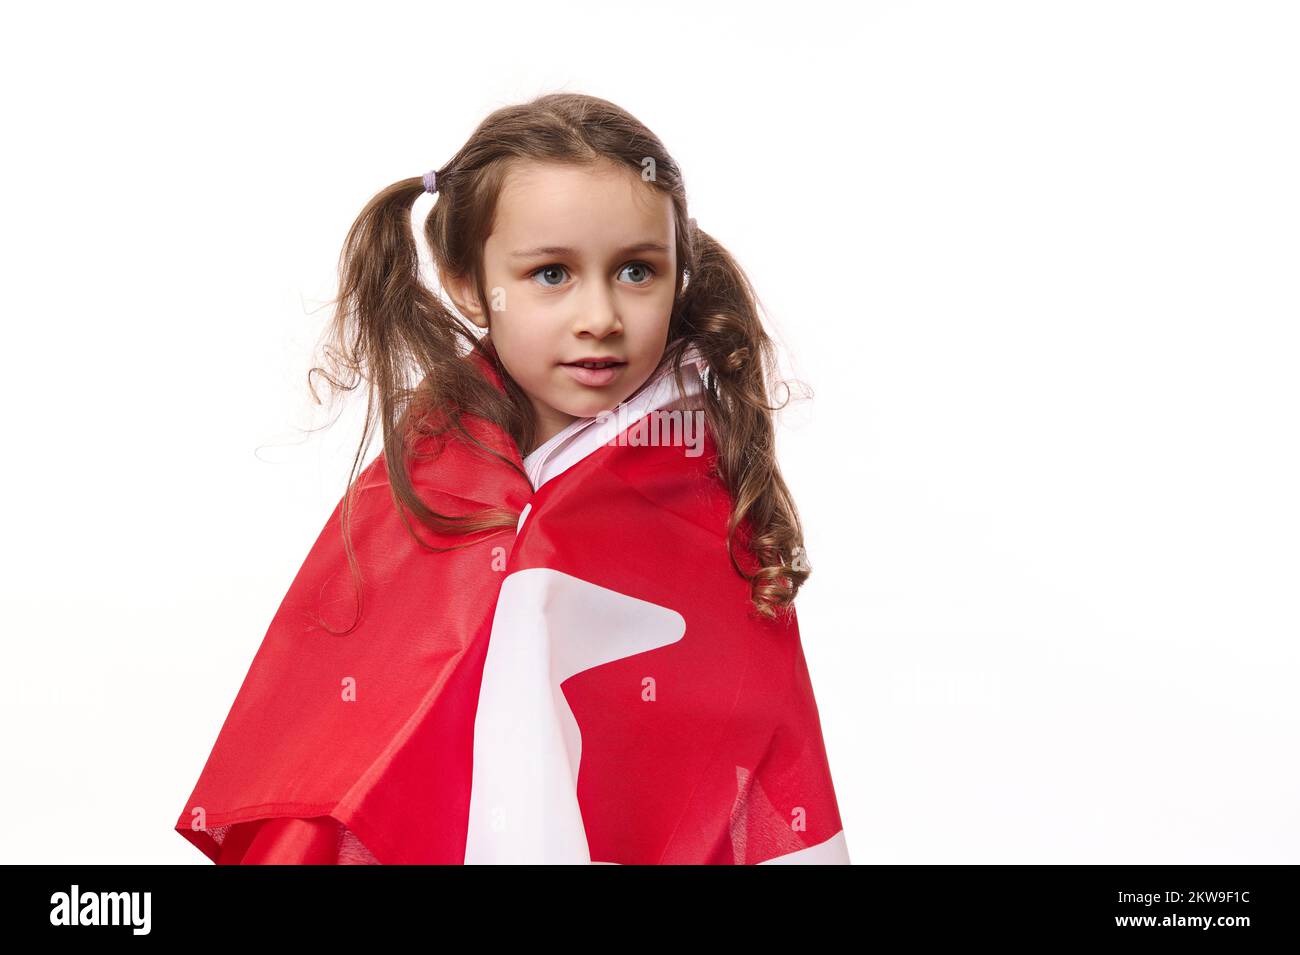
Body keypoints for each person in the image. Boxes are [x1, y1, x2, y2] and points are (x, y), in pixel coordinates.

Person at [174, 91, 850, 864]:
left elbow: (752, 760)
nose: (600, 315)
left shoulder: (700, 492)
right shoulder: (426, 484)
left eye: (636, 270)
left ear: (680, 273)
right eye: (551, 273)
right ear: (469, 283)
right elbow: (347, 748)